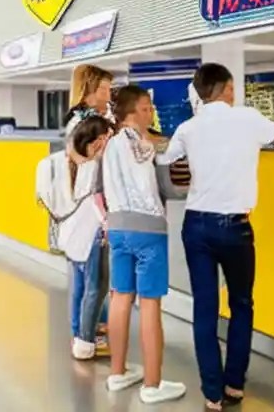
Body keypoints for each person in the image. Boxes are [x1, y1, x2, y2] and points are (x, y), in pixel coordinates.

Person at [158, 64, 274, 410]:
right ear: (228, 89)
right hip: (235, 227)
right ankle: (234, 384)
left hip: (196, 226)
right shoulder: (248, 118)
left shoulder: (189, 128)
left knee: (205, 309)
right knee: (241, 305)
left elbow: (167, 155)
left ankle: (212, 393)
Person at [102, 85, 186, 404]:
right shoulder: (139, 141)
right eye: (146, 107)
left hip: (118, 228)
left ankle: (117, 372)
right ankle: (152, 384)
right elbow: (164, 150)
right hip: (148, 229)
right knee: (150, 303)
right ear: (131, 112)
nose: (151, 113)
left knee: (121, 297)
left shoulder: (110, 145)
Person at [36, 115, 115, 360]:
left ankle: (77, 334)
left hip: (68, 236)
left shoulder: (48, 164)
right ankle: (86, 341)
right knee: (96, 289)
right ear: (99, 141)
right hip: (91, 234)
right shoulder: (95, 167)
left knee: (78, 289)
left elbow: (42, 200)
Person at [64, 64, 115, 138]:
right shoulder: (77, 123)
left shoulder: (111, 114)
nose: (108, 97)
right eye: (103, 90)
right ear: (87, 92)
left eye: (109, 90)